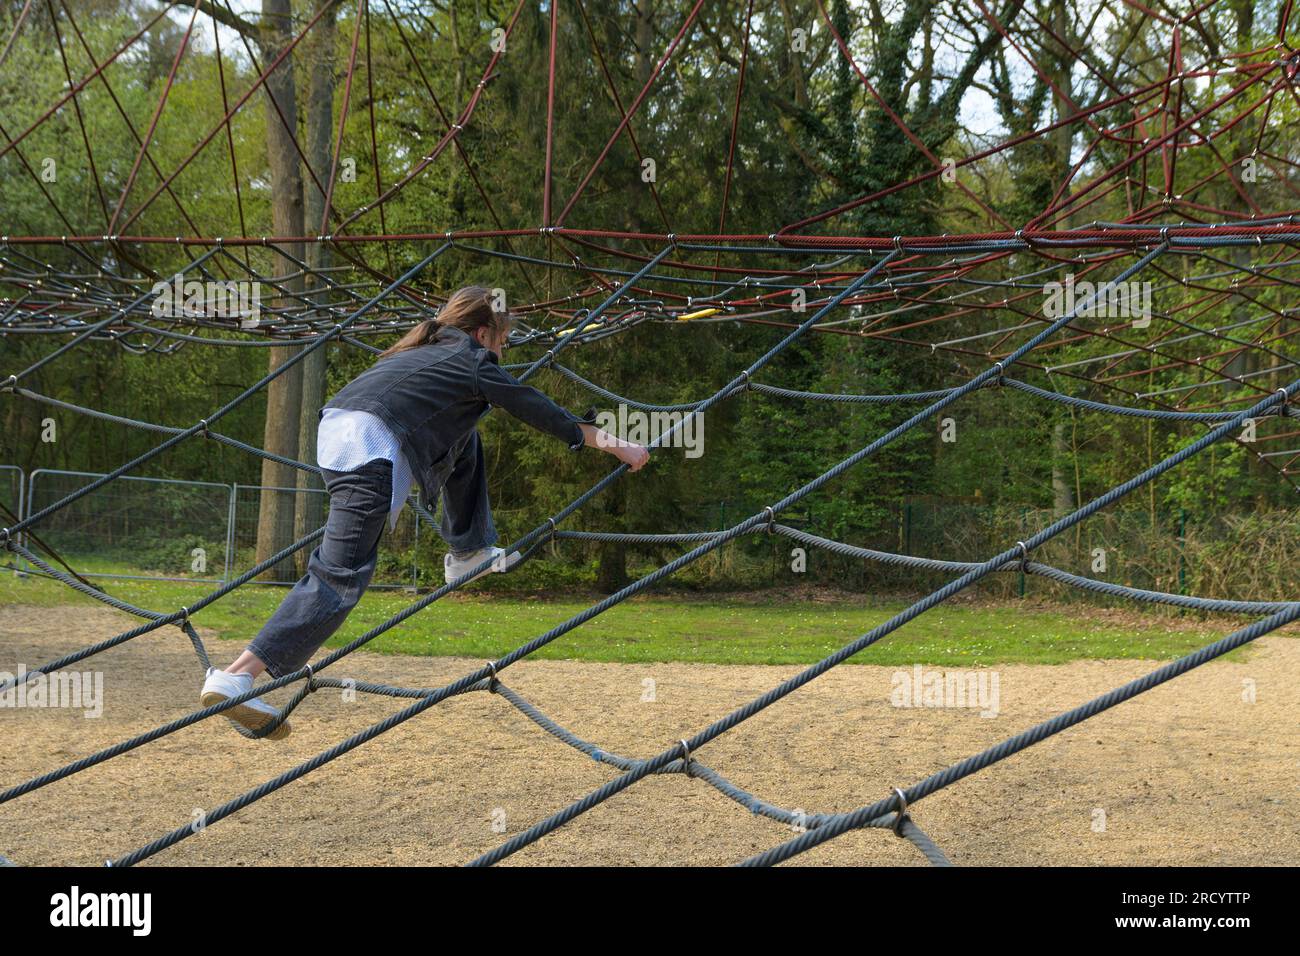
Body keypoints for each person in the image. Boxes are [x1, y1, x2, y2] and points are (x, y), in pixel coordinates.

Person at [200, 286, 650, 740]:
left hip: (341, 437)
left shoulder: (422, 352)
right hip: (369, 449)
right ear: (482, 333)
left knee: (466, 433)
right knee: (338, 576)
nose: (502, 351)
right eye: (502, 341)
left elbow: (453, 427)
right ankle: (238, 676)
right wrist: (615, 444)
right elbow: (533, 405)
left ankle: (469, 549)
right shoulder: (472, 359)